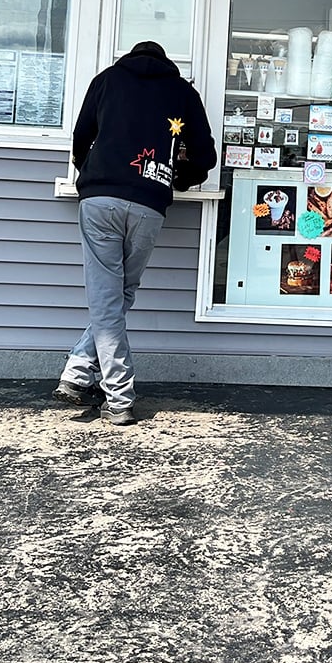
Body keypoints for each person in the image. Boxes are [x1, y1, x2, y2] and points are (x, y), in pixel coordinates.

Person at [52, 41, 217, 426]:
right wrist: (180, 179)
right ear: (167, 62)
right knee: (118, 294)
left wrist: (87, 170)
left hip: (99, 201)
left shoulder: (107, 80)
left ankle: (116, 397)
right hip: (148, 203)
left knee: (110, 297)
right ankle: (81, 375)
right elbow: (205, 156)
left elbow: (80, 136)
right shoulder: (182, 92)